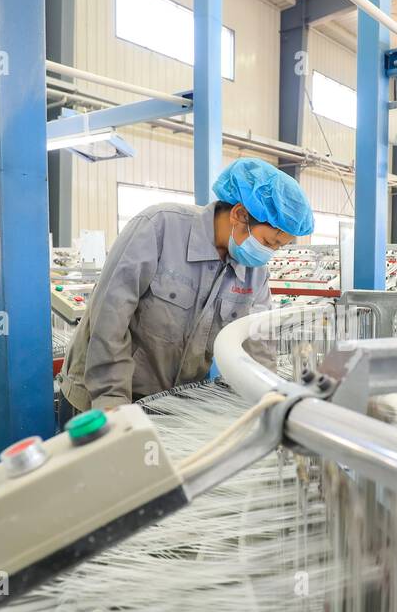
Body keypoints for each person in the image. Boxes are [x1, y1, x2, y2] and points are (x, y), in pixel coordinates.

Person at [59, 158, 314, 423]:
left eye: (278, 247)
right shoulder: (158, 227)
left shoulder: (255, 271)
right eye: (268, 242)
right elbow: (109, 317)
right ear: (239, 214)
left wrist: (267, 402)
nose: (268, 254)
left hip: (170, 402)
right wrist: (112, 402)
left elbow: (258, 341)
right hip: (103, 393)